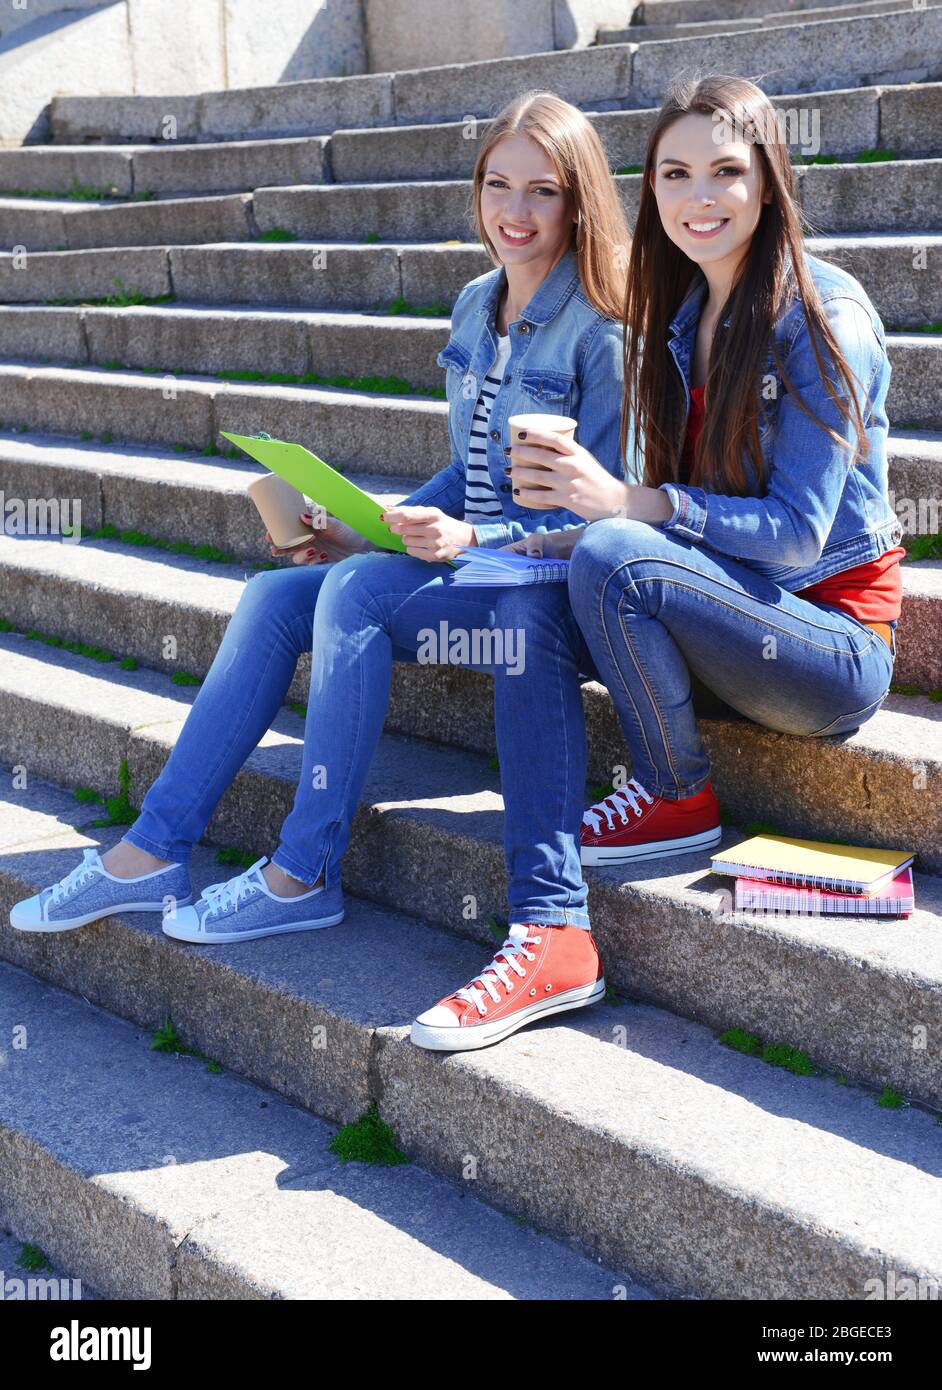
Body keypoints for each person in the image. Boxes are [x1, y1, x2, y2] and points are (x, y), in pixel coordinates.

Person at [12, 90, 632, 1052]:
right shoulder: (477, 304)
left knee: (351, 595)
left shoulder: (600, 329)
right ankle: (151, 851)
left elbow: (597, 510)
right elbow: (466, 476)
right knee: (274, 592)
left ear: (579, 202)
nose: (516, 210)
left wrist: (464, 542)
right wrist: (368, 521)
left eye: (542, 191)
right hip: (470, 564)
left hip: (542, 584)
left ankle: (305, 873)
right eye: (498, 185)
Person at [470, 71, 905, 1043]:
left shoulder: (821, 315)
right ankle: (548, 926)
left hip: (825, 645)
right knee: (524, 604)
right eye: (673, 174)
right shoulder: (673, 315)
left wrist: (629, 506)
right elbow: (654, 534)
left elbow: (794, 533)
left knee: (618, 550)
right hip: (721, 616)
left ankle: (675, 793)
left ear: (769, 181)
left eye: (724, 172)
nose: (697, 197)